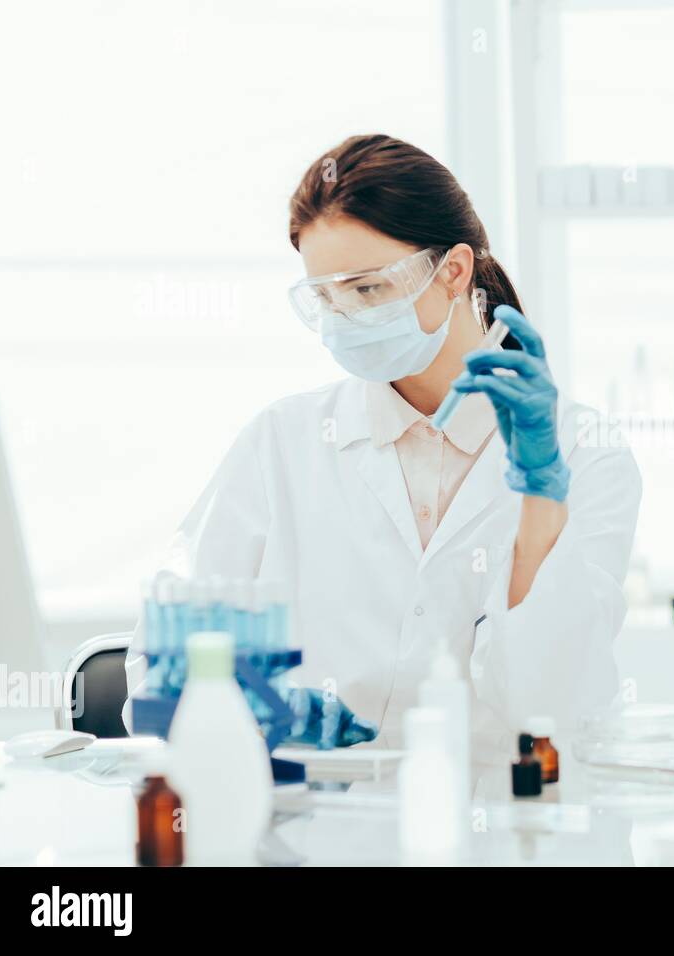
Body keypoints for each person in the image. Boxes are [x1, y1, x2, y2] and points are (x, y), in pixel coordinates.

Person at [125, 134, 641, 753]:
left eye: (366, 289)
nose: (342, 319)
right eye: (325, 296)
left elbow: (555, 705)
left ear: (452, 271)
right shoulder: (282, 442)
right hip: (313, 827)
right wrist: (252, 713)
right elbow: (158, 663)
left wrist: (540, 498)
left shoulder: (583, 454)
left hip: (502, 833)